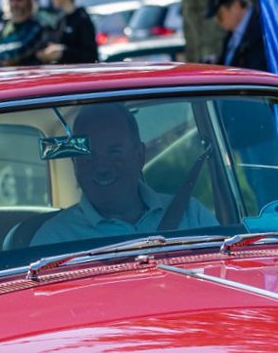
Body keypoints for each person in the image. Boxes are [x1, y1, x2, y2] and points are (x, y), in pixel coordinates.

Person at [31, 102, 218, 247]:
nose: (102, 167)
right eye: (89, 154)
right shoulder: (53, 239)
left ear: (139, 155)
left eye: (114, 152)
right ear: (75, 163)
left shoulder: (191, 215)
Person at [36, 0, 98, 65]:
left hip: (80, 75)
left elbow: (91, 55)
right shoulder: (61, 19)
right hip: (65, 73)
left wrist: (63, 52)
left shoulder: (82, 19)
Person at [205, 0, 266, 71]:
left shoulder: (261, 31)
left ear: (235, 5)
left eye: (220, 15)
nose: (217, 21)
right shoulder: (233, 33)